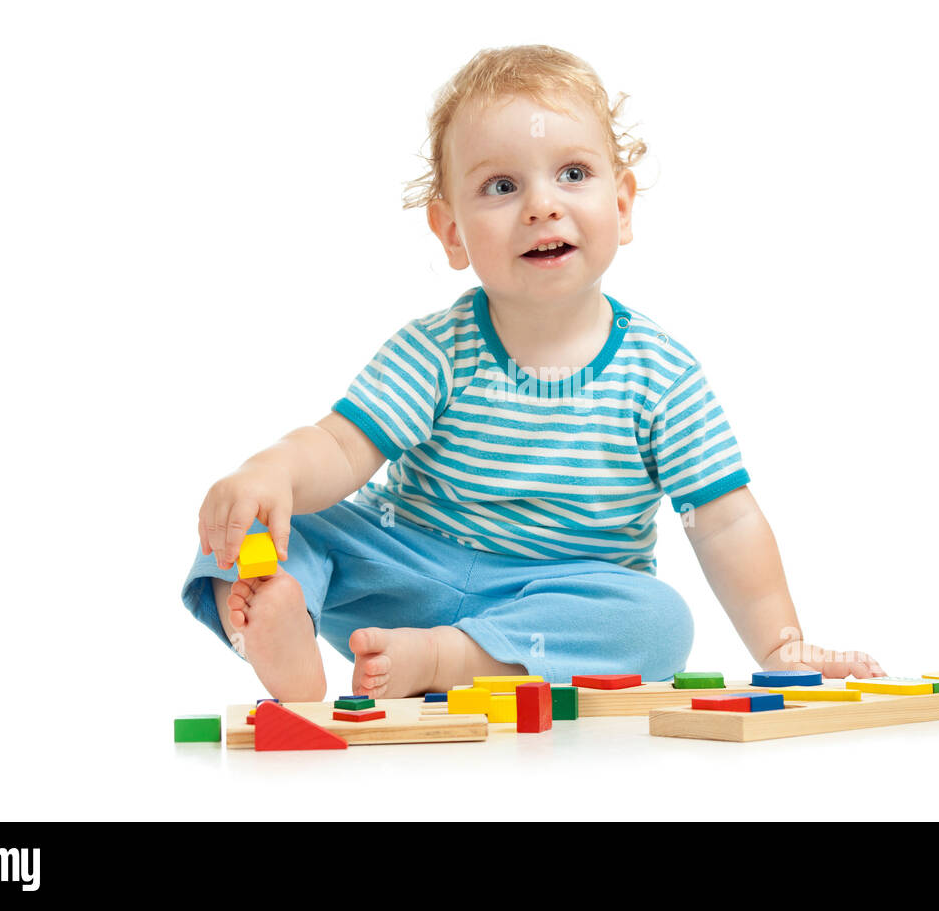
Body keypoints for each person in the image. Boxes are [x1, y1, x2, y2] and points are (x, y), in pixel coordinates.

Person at [181, 44, 887, 701]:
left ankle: (452, 659)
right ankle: (280, 617)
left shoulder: (661, 376)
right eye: (501, 185)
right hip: (408, 573)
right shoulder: (436, 350)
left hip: (561, 603)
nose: (543, 205)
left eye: (573, 174)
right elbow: (339, 448)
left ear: (621, 204)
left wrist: (782, 647)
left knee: (659, 620)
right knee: (276, 521)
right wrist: (269, 470)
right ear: (452, 233)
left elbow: (726, 523)